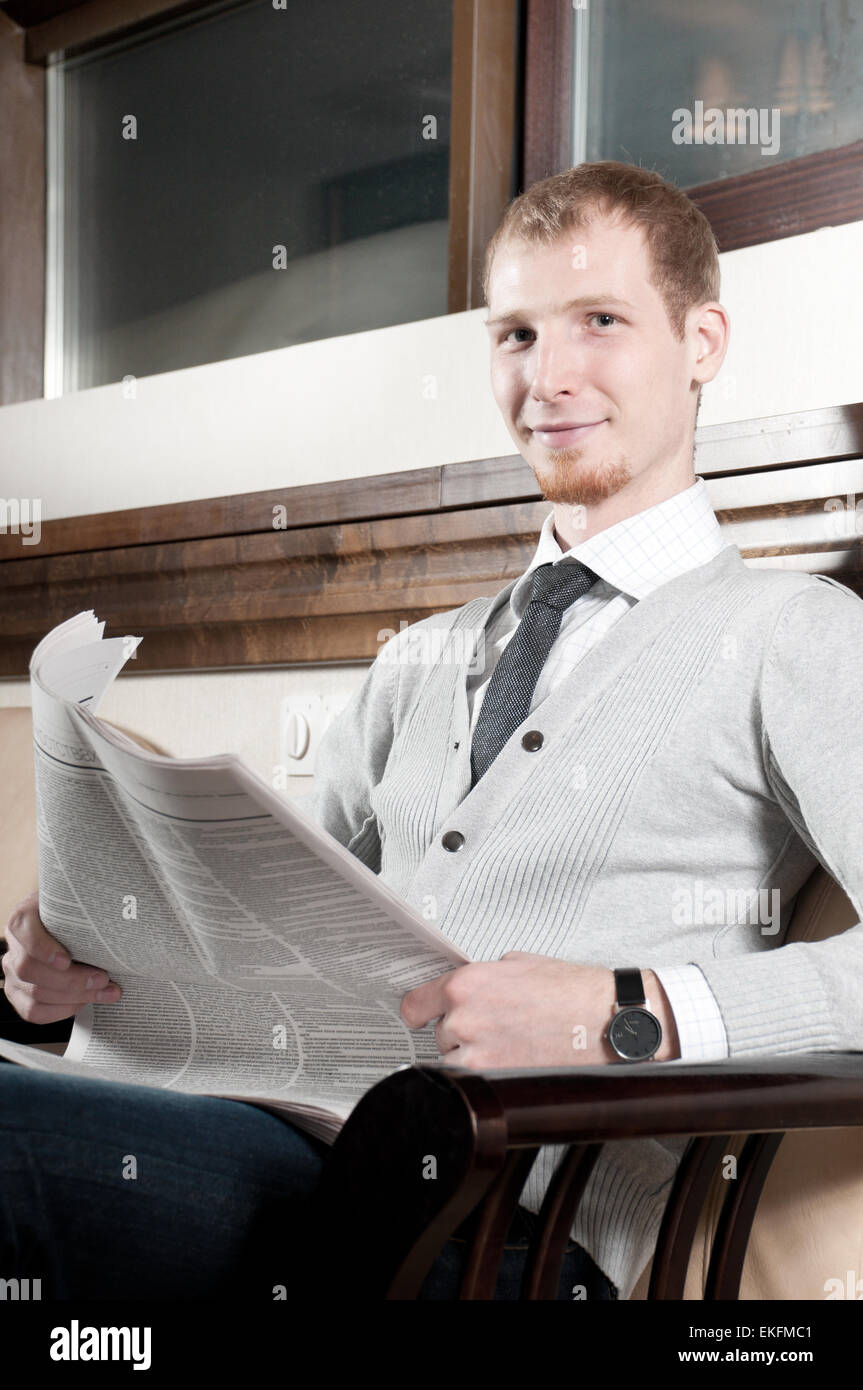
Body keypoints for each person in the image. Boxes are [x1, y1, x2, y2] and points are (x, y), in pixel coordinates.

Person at [4, 160, 863, 1302]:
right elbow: (264, 939)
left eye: (597, 321)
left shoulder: (786, 632)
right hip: (294, 1158)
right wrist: (82, 974)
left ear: (700, 342)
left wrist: (622, 1011)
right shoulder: (418, 657)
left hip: (510, 1237)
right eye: (514, 336)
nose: (546, 377)